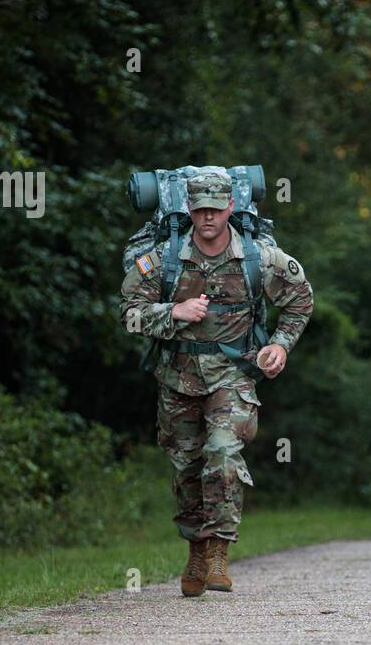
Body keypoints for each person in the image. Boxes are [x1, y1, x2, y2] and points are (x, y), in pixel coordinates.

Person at [119, 170, 314, 597]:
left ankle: (220, 552)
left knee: (223, 453)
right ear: (188, 209)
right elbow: (130, 312)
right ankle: (196, 549)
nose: (207, 217)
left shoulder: (259, 258)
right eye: (200, 208)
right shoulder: (164, 258)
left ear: (230, 207)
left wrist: (280, 345)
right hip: (177, 379)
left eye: (215, 208)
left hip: (234, 376)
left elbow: (301, 300)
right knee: (187, 468)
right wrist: (173, 312)